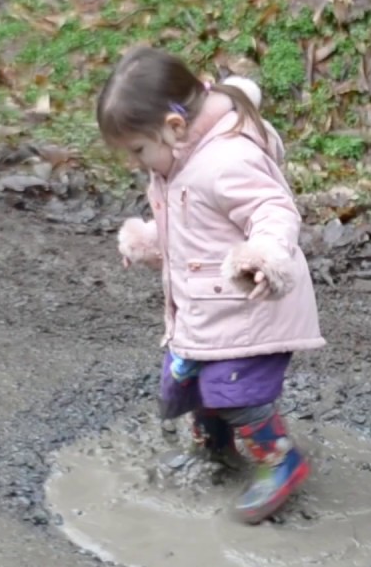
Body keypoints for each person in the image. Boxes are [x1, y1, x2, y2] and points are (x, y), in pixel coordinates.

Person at [95, 46, 325, 524]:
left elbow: (273, 210)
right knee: (192, 380)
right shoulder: (176, 162)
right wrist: (148, 241)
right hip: (207, 311)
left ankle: (279, 460)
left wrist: (264, 256)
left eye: (139, 150)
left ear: (175, 128)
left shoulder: (227, 160)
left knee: (236, 389)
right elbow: (190, 229)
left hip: (252, 304)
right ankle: (215, 450)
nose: (137, 163)